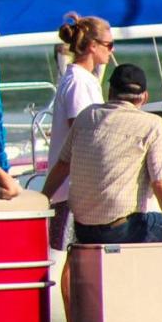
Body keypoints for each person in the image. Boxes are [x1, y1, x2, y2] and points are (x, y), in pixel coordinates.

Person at [40, 62, 162, 305]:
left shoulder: (86, 117)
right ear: (144, 96)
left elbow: (62, 165)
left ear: (110, 91)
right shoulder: (152, 125)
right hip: (121, 228)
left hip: (83, 230)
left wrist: (43, 198)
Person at [48, 15, 112, 252]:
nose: (111, 52)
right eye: (109, 45)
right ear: (93, 46)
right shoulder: (78, 82)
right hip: (71, 187)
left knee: (77, 254)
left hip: (77, 185)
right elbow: (82, 134)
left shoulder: (86, 79)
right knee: (70, 255)